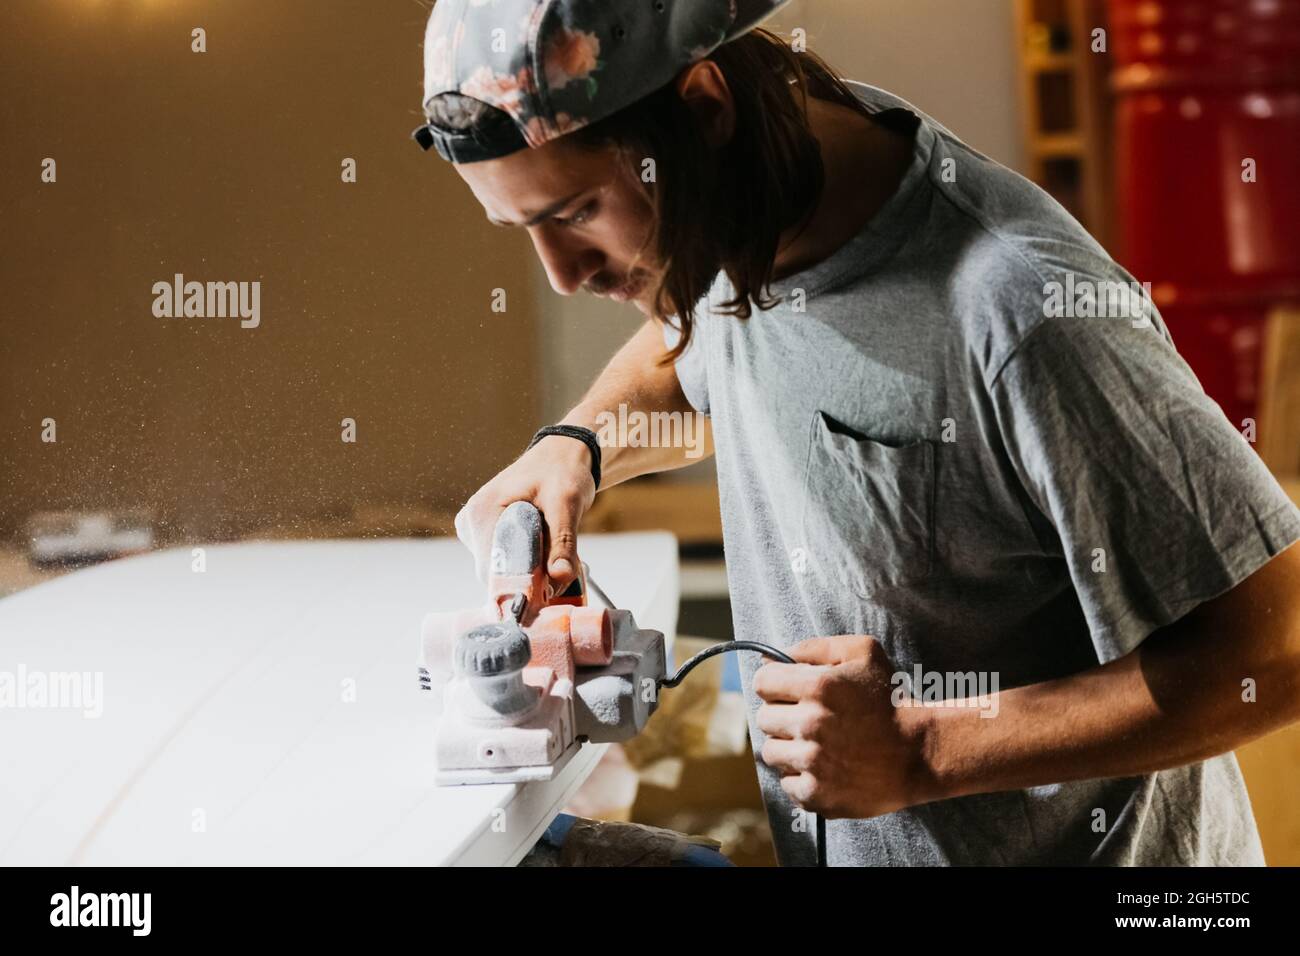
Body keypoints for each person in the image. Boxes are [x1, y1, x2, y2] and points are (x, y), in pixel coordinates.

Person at [412, 0, 1300, 865]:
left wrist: (924, 750)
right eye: (524, 229)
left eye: (573, 213)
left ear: (707, 109)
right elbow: (702, 352)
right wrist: (578, 444)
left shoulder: (1024, 312)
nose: (562, 276)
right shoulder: (745, 214)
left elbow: (1275, 649)